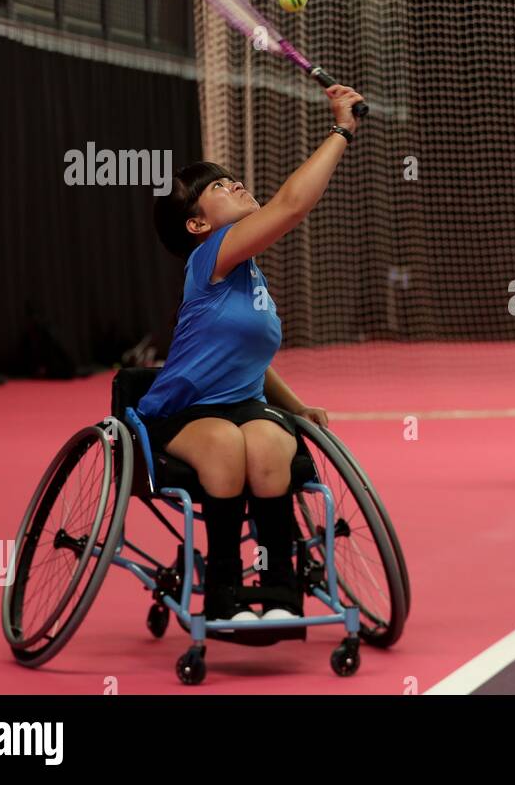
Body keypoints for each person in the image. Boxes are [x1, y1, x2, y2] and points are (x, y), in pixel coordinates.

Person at [137, 83, 364, 624]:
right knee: (225, 448)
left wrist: (297, 405)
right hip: (182, 413)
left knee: (269, 446)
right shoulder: (210, 255)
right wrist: (340, 130)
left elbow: (250, 360)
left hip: (244, 407)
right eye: (216, 186)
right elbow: (290, 206)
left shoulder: (249, 273)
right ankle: (223, 593)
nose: (233, 181)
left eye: (229, 175)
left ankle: (281, 592)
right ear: (197, 225)